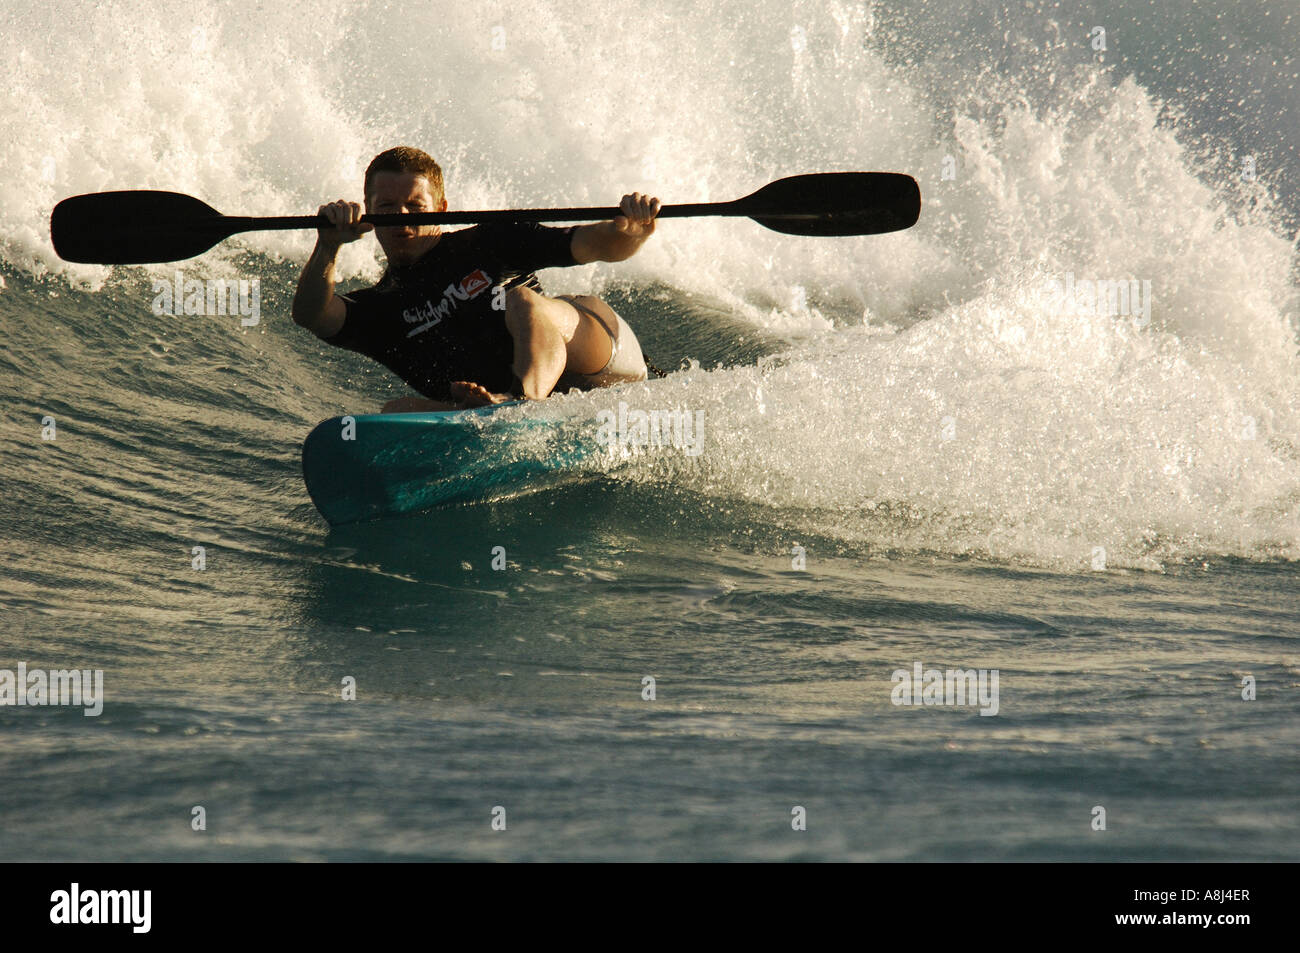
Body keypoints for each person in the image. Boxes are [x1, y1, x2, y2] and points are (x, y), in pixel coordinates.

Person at [292, 146, 660, 412]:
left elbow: (593, 244)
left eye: (416, 207)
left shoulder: (490, 242)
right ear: (369, 213)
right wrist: (328, 246)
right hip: (508, 401)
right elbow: (311, 315)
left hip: (604, 362)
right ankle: (491, 410)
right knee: (397, 411)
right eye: (387, 208)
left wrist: (631, 231)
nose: (402, 217)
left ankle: (519, 404)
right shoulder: (380, 310)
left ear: (442, 209)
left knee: (522, 300)